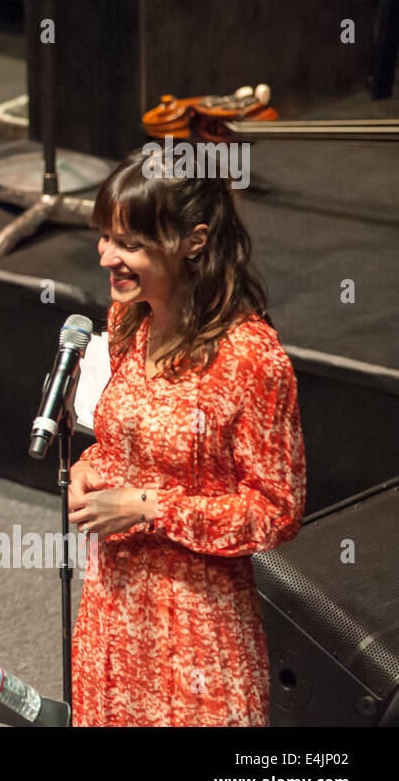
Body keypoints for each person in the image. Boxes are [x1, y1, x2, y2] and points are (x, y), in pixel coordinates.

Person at [68, 149, 305, 726]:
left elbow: (276, 512)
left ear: (193, 240)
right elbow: (128, 437)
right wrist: (89, 466)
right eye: (105, 238)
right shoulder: (130, 318)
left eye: (129, 244)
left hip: (197, 625)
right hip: (114, 606)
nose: (107, 257)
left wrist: (150, 507)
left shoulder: (251, 358)